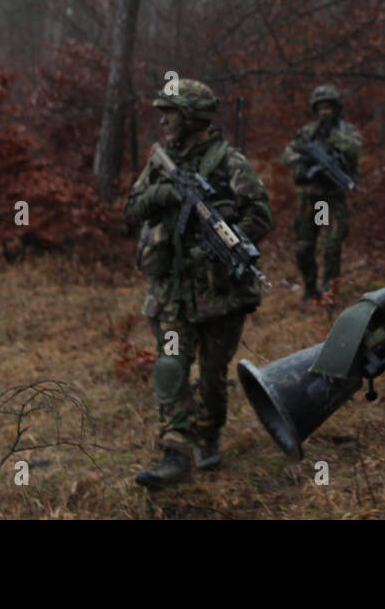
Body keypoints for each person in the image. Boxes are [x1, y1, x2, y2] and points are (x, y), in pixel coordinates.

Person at [126, 79, 272, 487]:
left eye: (169, 113)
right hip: (171, 290)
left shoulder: (230, 163)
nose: (163, 121)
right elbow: (131, 208)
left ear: (191, 116)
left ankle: (208, 435)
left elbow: (261, 215)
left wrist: (225, 240)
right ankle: (175, 451)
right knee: (171, 364)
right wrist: (161, 196)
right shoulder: (159, 162)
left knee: (211, 376)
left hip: (218, 291)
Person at [282, 85, 362, 303]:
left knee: (332, 245)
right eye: (321, 108)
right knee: (304, 246)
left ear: (337, 108)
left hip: (331, 198)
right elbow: (288, 152)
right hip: (309, 198)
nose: (325, 112)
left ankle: (329, 292)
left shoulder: (346, 132)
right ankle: (310, 289)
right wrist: (302, 161)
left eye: (329, 107)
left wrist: (333, 139)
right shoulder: (308, 132)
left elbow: (354, 149)